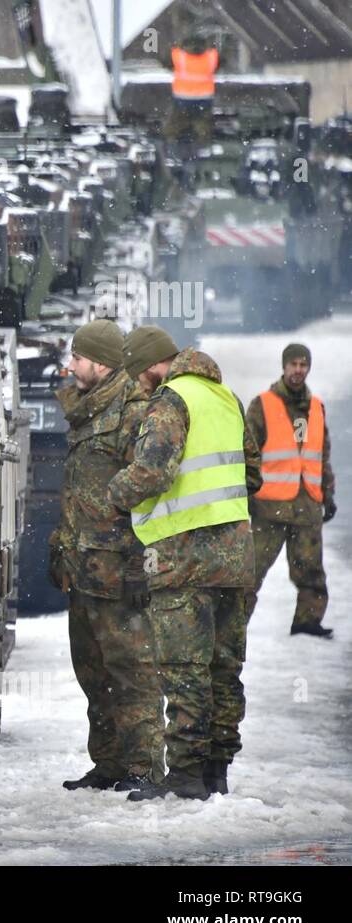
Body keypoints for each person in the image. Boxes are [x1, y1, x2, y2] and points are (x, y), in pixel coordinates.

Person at [108, 327, 261, 800]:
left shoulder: (171, 401)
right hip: (234, 559)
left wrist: (116, 493)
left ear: (154, 364)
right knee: (223, 667)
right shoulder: (225, 396)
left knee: (184, 667)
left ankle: (188, 776)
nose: (138, 384)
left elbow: (153, 470)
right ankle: (217, 769)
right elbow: (252, 473)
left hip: (184, 558)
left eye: (138, 373)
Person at [50, 320, 163, 792]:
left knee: (132, 673)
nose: (70, 365)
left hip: (120, 571)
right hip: (84, 570)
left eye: (77, 357)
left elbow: (153, 492)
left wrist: (142, 564)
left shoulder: (135, 415)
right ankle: (111, 763)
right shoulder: (87, 411)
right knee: (93, 673)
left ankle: (144, 768)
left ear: (100, 363)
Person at [245, 343, 336, 637]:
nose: (298, 370)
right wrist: (245, 495)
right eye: (294, 364)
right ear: (283, 367)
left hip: (307, 504)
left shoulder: (316, 407)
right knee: (250, 573)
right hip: (269, 507)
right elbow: (248, 453)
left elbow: (322, 455)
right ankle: (233, 627)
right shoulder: (263, 404)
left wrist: (328, 494)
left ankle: (308, 621)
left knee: (311, 571)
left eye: (303, 364)